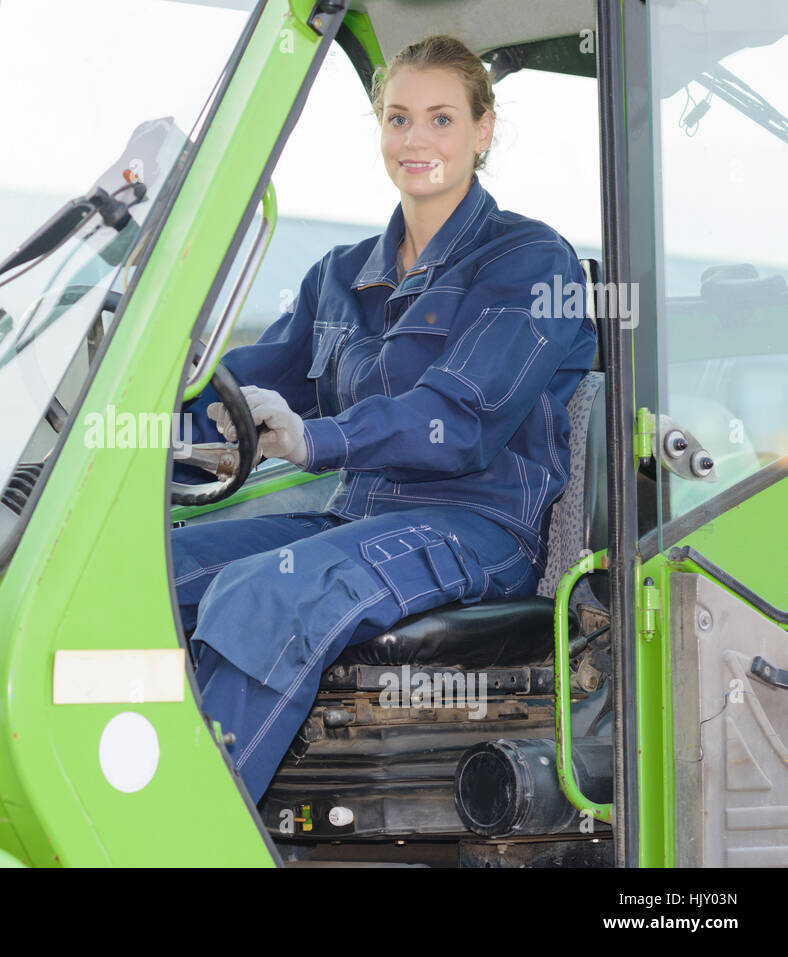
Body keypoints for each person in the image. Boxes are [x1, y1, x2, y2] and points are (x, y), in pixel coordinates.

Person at [171, 35, 598, 805]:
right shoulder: (338, 275)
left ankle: (182, 830)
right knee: (149, 570)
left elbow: (462, 418)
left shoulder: (533, 263)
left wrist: (318, 438)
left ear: (483, 130)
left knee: (268, 594)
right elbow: (237, 389)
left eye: (441, 119)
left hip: (474, 524)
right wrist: (155, 427)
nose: (417, 141)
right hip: (350, 515)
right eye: (399, 119)